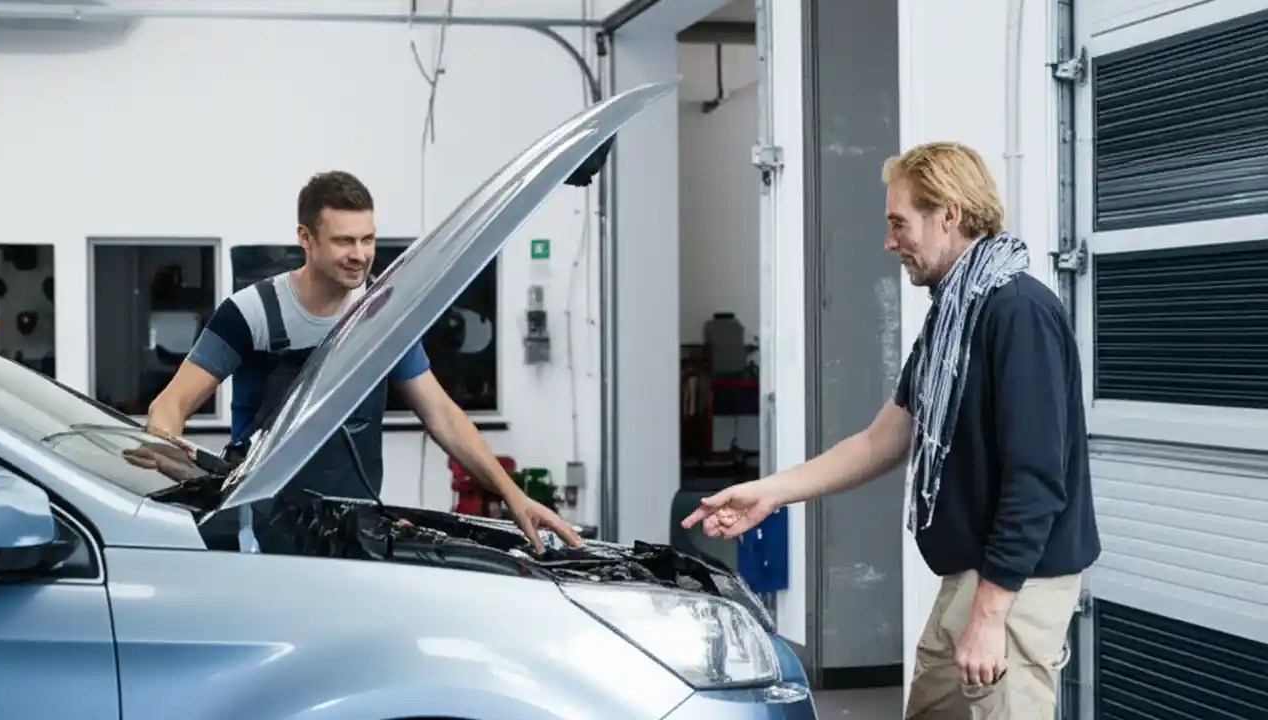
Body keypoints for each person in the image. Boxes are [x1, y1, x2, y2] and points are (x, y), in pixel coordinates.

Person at [682, 142, 1100, 718]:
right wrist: (769, 494)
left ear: (948, 215)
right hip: (971, 576)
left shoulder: (1018, 312)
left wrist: (989, 615)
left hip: (1016, 586)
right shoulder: (953, 317)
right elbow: (884, 438)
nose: (889, 241)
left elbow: (1036, 481)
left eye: (898, 222)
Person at [146, 170, 582, 554]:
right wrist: (174, 486)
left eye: (367, 239)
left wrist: (513, 496)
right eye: (343, 241)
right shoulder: (253, 313)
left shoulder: (382, 316)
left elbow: (442, 415)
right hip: (261, 535)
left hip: (355, 531)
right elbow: (169, 407)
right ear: (306, 239)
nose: (360, 254)